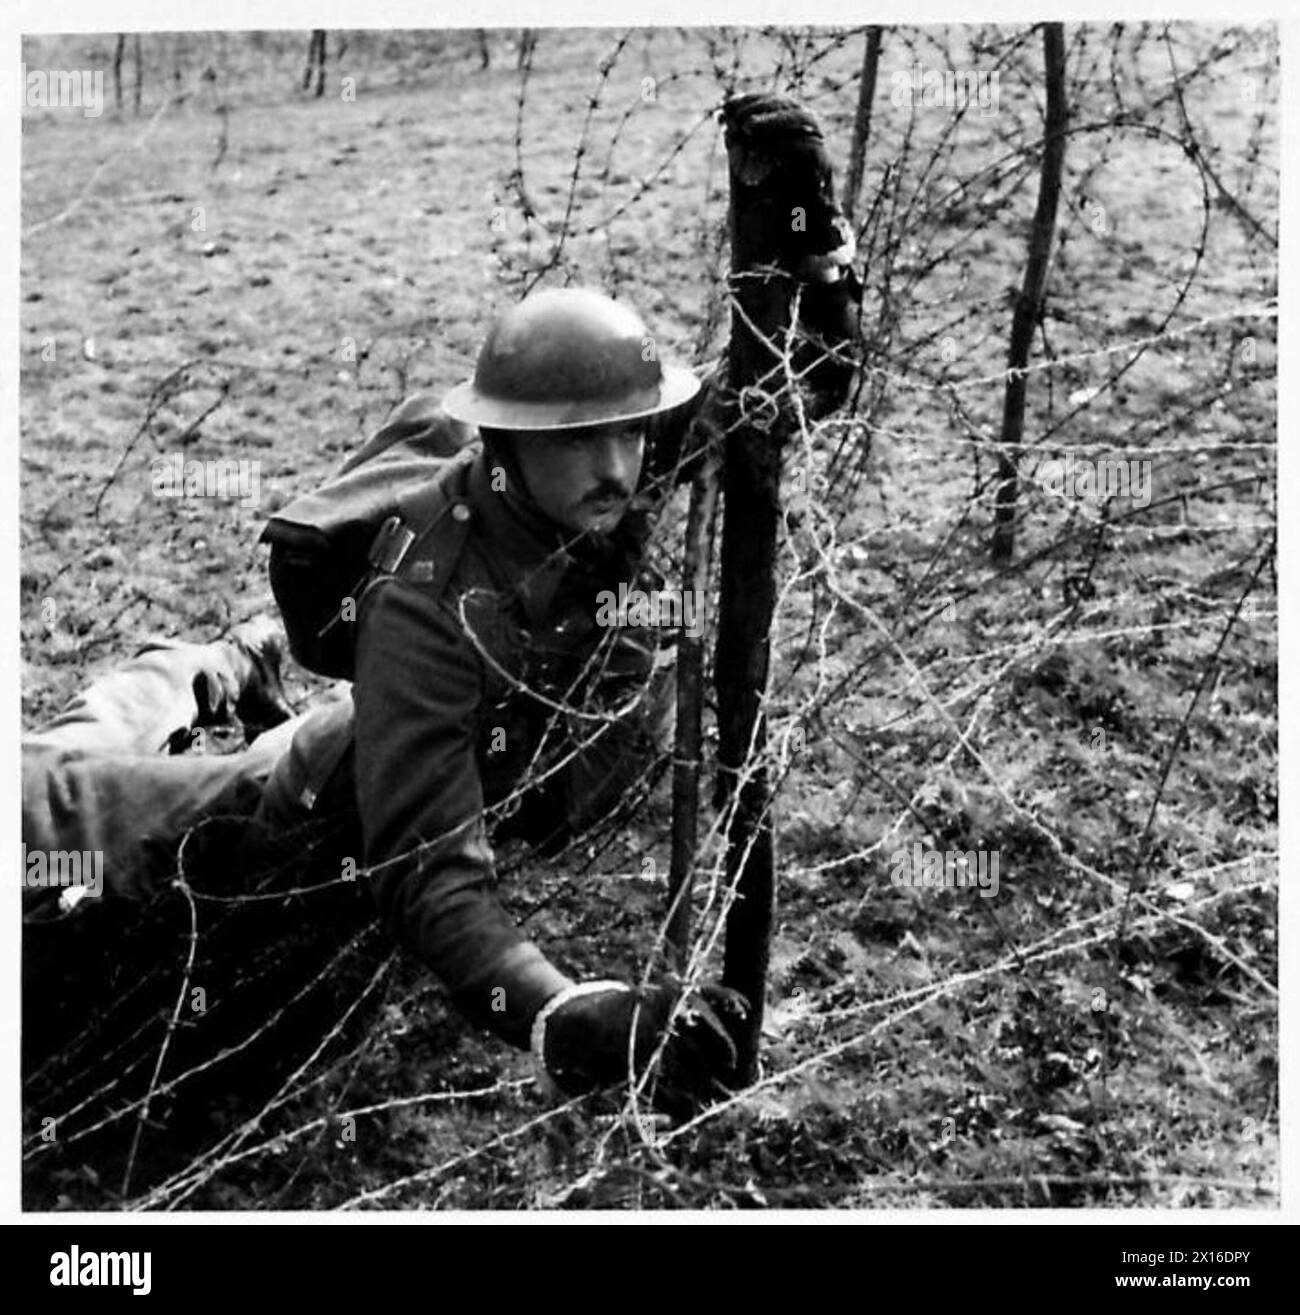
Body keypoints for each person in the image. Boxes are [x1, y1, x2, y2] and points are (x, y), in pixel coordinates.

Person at [23, 287, 745, 1115]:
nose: (618, 465)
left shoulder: (582, 484)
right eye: (583, 439)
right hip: (279, 820)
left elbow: (751, 403)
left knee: (159, 750)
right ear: (510, 441)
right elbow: (428, 874)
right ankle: (207, 666)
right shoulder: (428, 608)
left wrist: (811, 259)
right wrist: (561, 1012)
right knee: (53, 788)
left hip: (370, 737)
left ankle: (218, 666)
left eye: (630, 433)